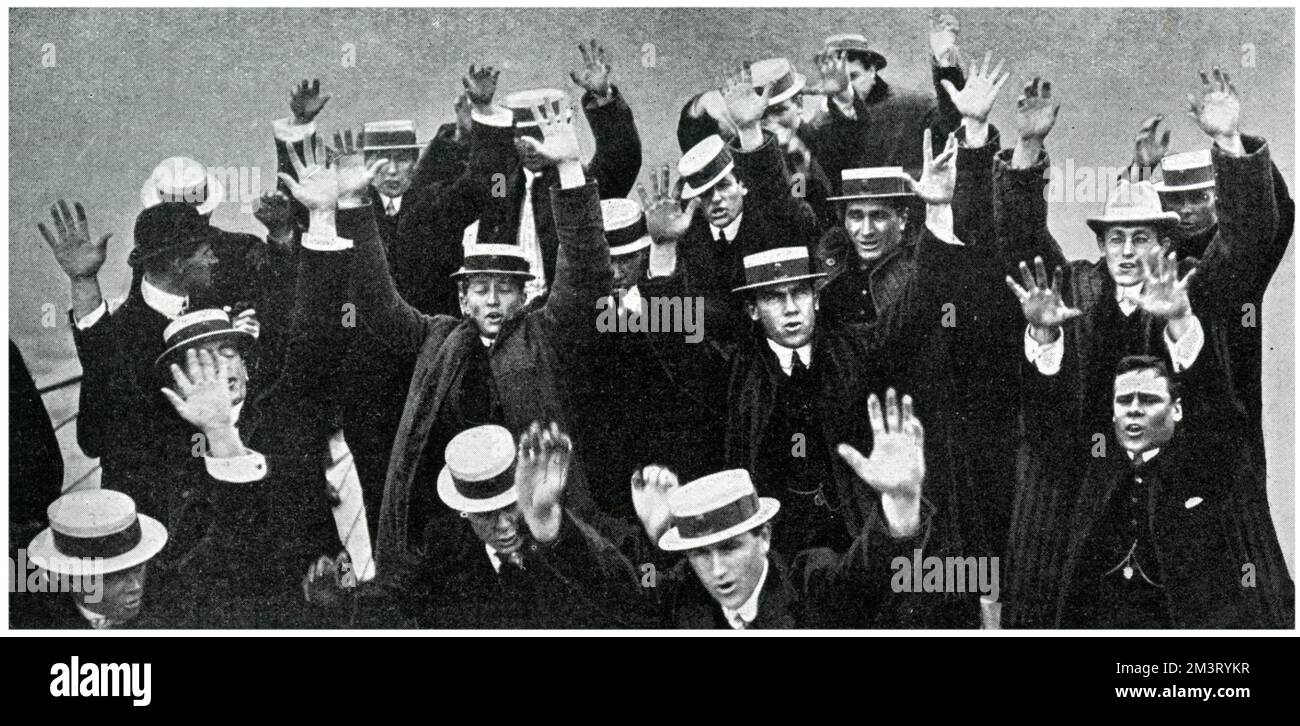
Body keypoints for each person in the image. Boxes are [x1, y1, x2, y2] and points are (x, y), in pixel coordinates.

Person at [289, 104, 611, 567]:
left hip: (534, 515)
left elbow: (586, 277)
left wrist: (569, 170)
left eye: (506, 290)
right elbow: (378, 303)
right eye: (481, 289)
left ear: (524, 297)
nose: (494, 301)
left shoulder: (544, 333)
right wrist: (355, 207)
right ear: (463, 298)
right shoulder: (437, 339)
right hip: (454, 527)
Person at [630, 390, 941, 629]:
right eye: (700, 554)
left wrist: (901, 501)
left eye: (729, 548)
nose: (717, 570)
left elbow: (864, 578)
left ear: (764, 536)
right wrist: (657, 531)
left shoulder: (810, 583)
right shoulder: (684, 601)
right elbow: (613, 588)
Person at [304, 423, 645, 628]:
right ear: (463, 513)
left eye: (512, 508)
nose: (505, 526)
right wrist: (341, 597)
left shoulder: (563, 525)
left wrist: (555, 531)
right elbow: (395, 594)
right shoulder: (446, 543)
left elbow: (627, 592)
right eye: (486, 515)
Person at [474, 39, 642, 297]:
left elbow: (621, 159)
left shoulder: (576, 182)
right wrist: (483, 113)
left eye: (540, 135)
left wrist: (602, 97)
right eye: (521, 136)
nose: (531, 146)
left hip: (562, 313)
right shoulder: (501, 182)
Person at [23, 489, 168, 629]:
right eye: (114, 576)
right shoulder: (30, 621)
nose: (136, 586)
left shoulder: (170, 603)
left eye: (138, 569)